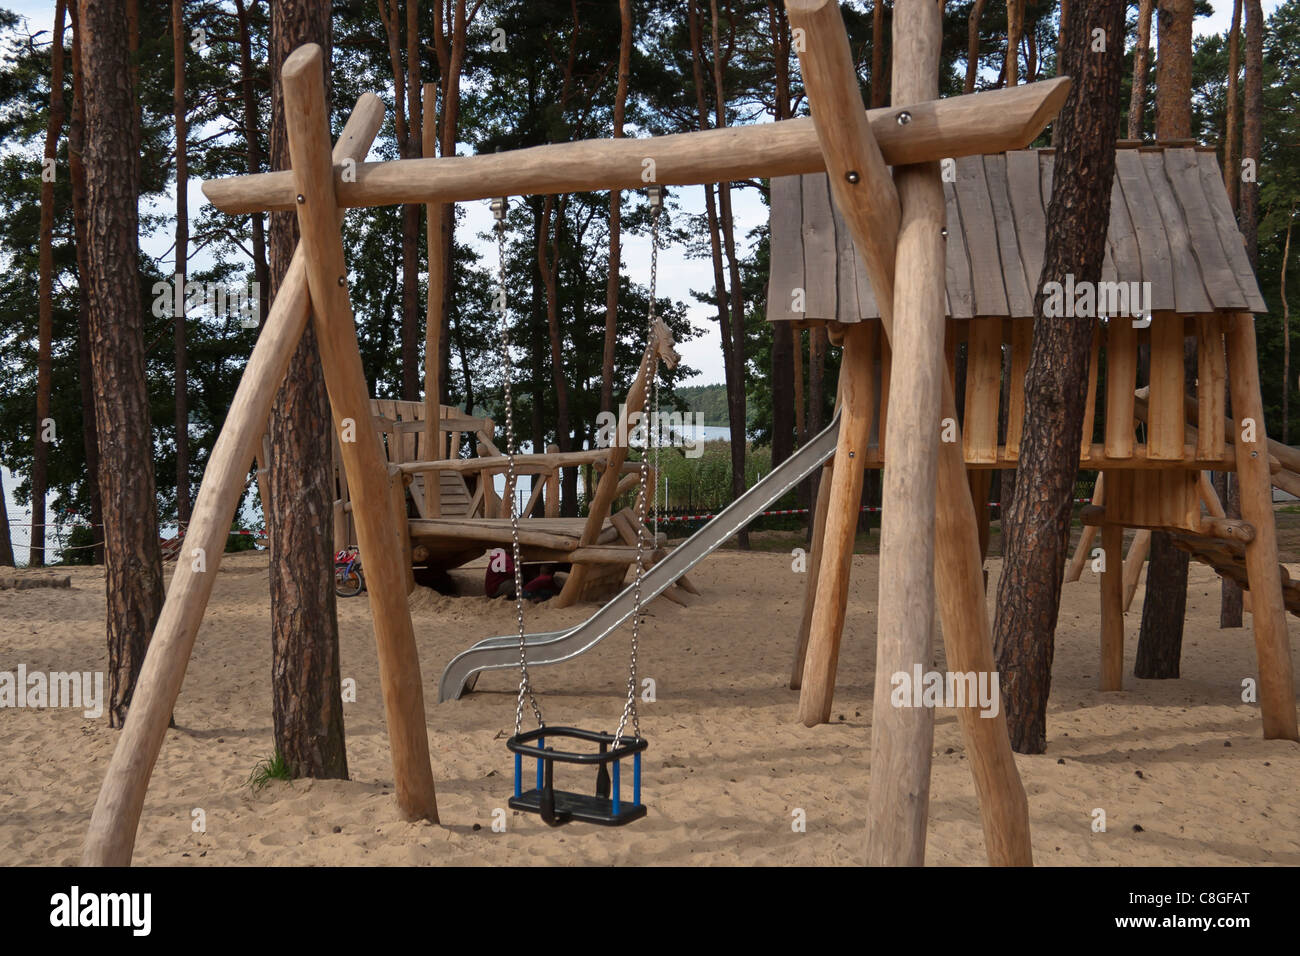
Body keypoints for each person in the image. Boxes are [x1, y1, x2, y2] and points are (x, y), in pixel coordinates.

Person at [485, 548, 561, 602]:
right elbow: (513, 572)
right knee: (520, 577)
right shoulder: (505, 558)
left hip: (491, 589)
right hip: (494, 590)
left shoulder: (500, 556)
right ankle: (515, 596)